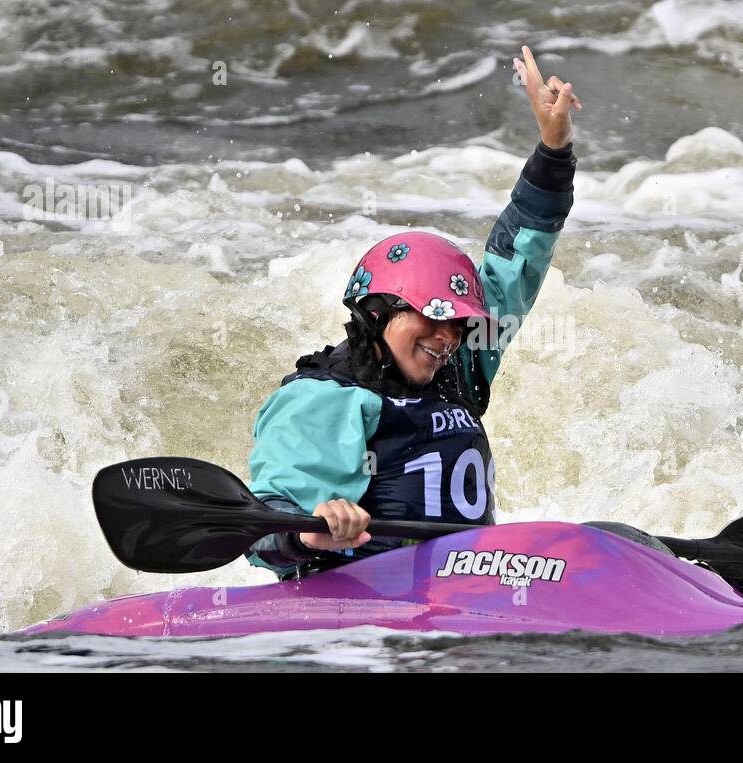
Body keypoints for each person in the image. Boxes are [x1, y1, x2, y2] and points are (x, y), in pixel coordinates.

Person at [244, 46, 584, 579]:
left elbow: (518, 259)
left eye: (456, 321)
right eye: (431, 317)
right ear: (377, 313)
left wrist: (553, 149)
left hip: (462, 595)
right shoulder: (325, 400)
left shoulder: (458, 370)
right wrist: (307, 529)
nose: (447, 335)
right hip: (360, 607)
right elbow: (265, 529)